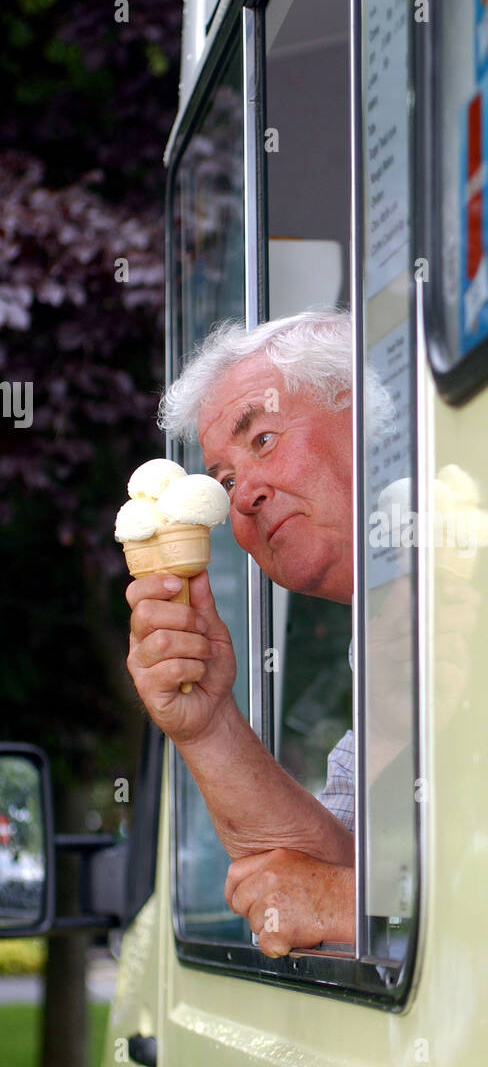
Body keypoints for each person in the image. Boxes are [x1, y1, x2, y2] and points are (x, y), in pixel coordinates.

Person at [125, 308, 391, 956]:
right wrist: (207, 723)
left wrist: (356, 910)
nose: (241, 498)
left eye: (263, 440)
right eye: (224, 480)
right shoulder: (380, 636)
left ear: (366, 415)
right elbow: (330, 870)